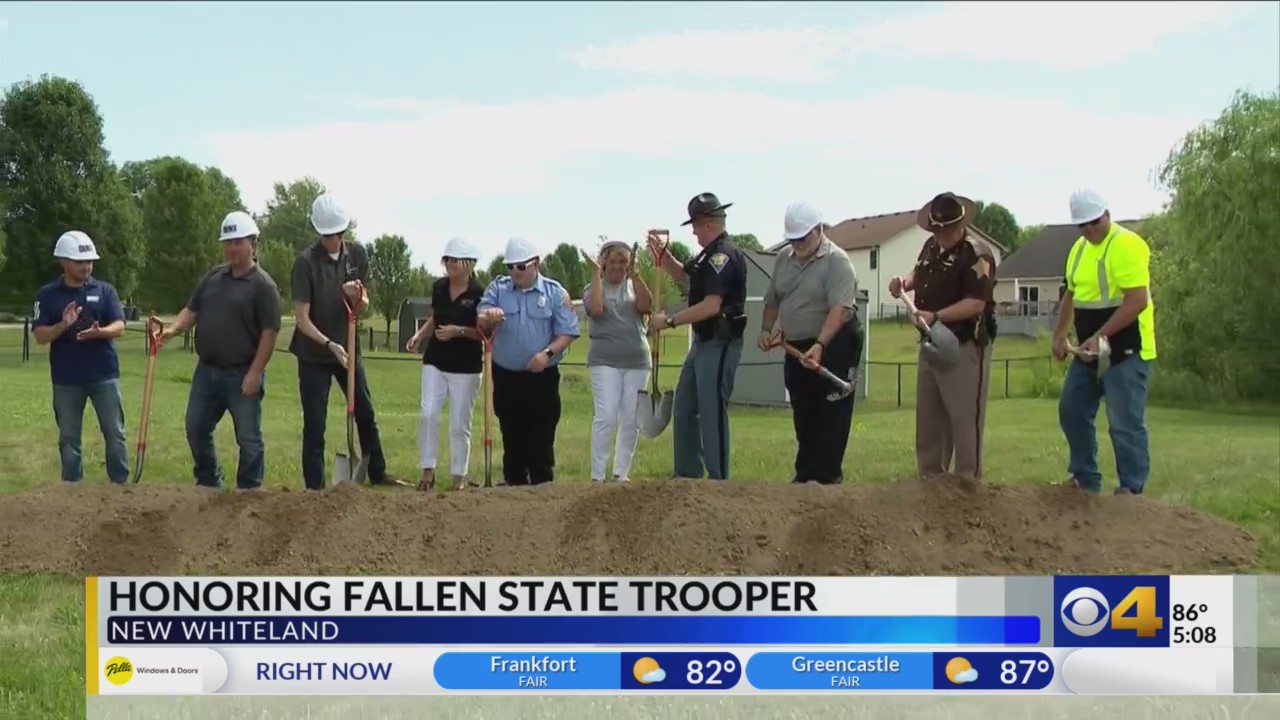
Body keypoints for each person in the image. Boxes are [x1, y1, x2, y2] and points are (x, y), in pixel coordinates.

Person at [158, 211, 283, 490]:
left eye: (238, 242)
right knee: (195, 427)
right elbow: (192, 310)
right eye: (228, 242)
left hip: (242, 373)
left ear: (252, 244)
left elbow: (270, 332)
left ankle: (249, 490)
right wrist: (171, 329)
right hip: (207, 371)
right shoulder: (214, 276)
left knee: (248, 438)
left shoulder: (264, 286)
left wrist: (255, 373)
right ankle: (208, 481)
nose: (232, 248)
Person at [288, 193, 405, 489]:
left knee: (364, 410)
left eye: (338, 234)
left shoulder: (357, 255)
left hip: (349, 347)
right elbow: (302, 319)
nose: (334, 240)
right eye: (328, 235)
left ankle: (377, 471)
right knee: (315, 421)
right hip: (314, 353)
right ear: (319, 232)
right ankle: (314, 487)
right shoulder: (305, 263)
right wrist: (329, 344)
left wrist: (358, 298)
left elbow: (363, 303)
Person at [1052, 188, 1157, 496]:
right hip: (1090, 352)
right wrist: (1060, 334)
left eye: (1095, 222)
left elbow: (1137, 300)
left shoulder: (1126, 244)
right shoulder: (1078, 250)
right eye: (1082, 225)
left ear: (1107, 214)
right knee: (1072, 410)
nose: (1090, 230)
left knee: (1124, 421)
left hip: (1128, 350)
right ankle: (1085, 478)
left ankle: (1131, 489)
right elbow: (1070, 295)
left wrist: (1101, 336)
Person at [889, 191, 998, 483]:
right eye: (936, 230)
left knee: (964, 416)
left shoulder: (977, 253)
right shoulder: (931, 246)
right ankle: (931, 478)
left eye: (946, 230)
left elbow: (976, 303)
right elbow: (921, 273)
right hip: (931, 341)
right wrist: (904, 283)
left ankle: (967, 479)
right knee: (929, 415)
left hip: (964, 342)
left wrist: (936, 316)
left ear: (960, 225)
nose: (941, 236)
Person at [759, 201, 863, 484]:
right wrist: (766, 329)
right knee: (803, 407)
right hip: (797, 345)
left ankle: (828, 477)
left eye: (803, 238)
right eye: (792, 240)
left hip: (837, 340)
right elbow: (773, 299)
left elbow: (840, 308)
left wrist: (820, 345)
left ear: (818, 230)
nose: (797, 245)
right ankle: (805, 474)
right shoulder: (784, 258)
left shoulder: (837, 261)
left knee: (831, 410)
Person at [647, 192, 749, 481]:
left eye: (695, 225)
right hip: (702, 342)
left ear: (708, 223)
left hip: (720, 341)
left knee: (711, 410)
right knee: (684, 406)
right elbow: (686, 278)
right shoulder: (706, 256)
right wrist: (663, 256)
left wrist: (669, 321)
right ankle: (687, 472)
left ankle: (718, 479)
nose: (693, 231)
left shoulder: (723, 256)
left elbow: (711, 305)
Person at [475, 236, 581, 486]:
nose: (515, 271)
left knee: (542, 434)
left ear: (536, 264)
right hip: (506, 375)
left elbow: (567, 332)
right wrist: (488, 317)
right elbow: (481, 316)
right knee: (511, 432)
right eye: (510, 266)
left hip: (542, 377)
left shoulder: (555, 293)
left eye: (521, 266)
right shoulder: (498, 289)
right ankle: (514, 485)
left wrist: (547, 354)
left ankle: (542, 485)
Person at [32, 230, 129, 484]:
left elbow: (119, 325)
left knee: (115, 432)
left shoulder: (105, 290)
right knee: (69, 438)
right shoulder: (47, 295)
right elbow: (40, 336)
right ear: (63, 262)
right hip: (66, 379)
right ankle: (72, 489)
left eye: (89, 261)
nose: (86, 267)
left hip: (104, 375)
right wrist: (63, 324)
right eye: (79, 262)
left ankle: (120, 486)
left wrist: (101, 333)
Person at [405, 237, 485, 492]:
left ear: (469, 264)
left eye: (455, 260)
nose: (450, 264)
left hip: (466, 366)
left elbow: (483, 333)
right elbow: (435, 317)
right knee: (428, 413)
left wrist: (458, 331)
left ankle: (458, 477)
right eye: (447, 259)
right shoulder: (439, 287)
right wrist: (420, 335)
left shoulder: (480, 294)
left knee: (459, 423)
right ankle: (427, 473)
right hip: (436, 360)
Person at [581, 239, 653, 484]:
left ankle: (621, 472)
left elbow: (646, 306)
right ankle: (597, 474)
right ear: (603, 262)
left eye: (623, 261)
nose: (618, 266)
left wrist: (636, 275)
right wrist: (595, 274)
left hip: (637, 359)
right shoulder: (593, 287)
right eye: (613, 261)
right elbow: (596, 309)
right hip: (605, 359)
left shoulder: (633, 285)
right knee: (607, 415)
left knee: (631, 418)